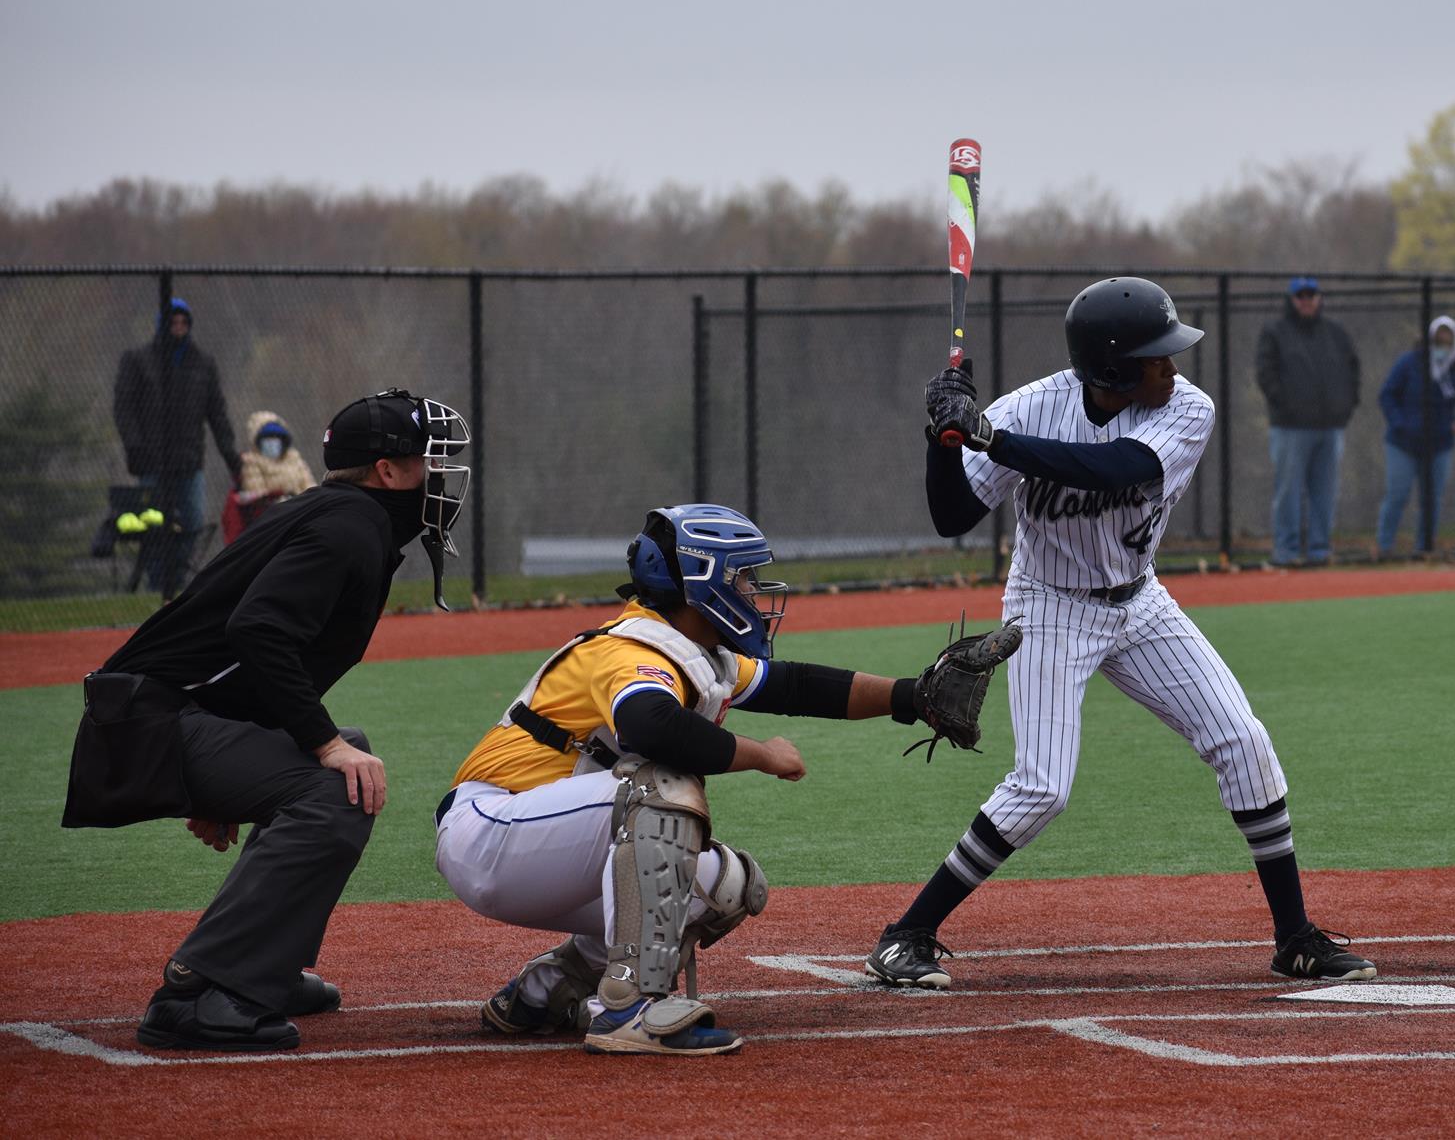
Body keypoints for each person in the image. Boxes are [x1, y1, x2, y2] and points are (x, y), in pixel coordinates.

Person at [876, 276, 1378, 990]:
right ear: (1111, 369)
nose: (1172, 366)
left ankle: (1295, 937)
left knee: (1244, 741)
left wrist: (992, 436)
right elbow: (952, 514)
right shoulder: (1031, 407)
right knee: (1042, 785)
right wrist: (943, 438)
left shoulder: (1186, 410)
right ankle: (907, 935)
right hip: (1048, 603)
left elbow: (1121, 470)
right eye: (1156, 356)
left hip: (1140, 601)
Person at [435, 502, 1011, 1058]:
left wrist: (911, 697)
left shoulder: (692, 650)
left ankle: (546, 991)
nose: (754, 593)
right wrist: (762, 754)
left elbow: (796, 686)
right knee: (660, 785)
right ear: (698, 580)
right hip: (491, 830)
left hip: (546, 838)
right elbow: (650, 725)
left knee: (727, 887)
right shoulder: (633, 649)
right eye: (743, 578)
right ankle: (628, 1009)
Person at [61, 388, 472, 1052]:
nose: (441, 479)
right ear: (388, 472)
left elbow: (240, 648)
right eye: (429, 462)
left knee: (347, 759)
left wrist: (244, 758)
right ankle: (202, 991)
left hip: (164, 712)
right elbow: (257, 631)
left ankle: (266, 968)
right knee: (335, 780)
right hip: (147, 722)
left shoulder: (344, 514)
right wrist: (321, 742)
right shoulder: (350, 525)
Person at [112, 296, 242, 595]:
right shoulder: (138, 360)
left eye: (184, 322)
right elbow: (124, 409)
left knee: (193, 522)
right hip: (151, 462)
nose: (179, 328)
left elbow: (217, 415)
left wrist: (232, 458)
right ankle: (158, 584)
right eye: (173, 322)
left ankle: (179, 581)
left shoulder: (202, 364)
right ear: (162, 325)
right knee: (155, 525)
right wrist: (135, 447)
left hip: (189, 461)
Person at [1255, 275, 1361, 566]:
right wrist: (1286, 407)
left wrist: (1347, 407)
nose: (1306, 300)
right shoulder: (1275, 331)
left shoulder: (1335, 333)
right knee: (1288, 492)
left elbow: (1353, 370)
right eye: (1300, 296)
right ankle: (1286, 552)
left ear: (1319, 298)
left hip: (1330, 427)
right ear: (1291, 300)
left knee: (1324, 493)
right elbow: (1266, 374)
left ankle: (1319, 550)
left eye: (1311, 295)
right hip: (1290, 428)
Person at [1376, 315, 1455, 557]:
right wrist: (1400, 422)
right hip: (1403, 443)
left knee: (1431, 500)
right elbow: (1387, 394)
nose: (1441, 349)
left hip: (1439, 445)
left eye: (1446, 344)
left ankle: (1424, 548)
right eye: (1437, 343)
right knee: (1397, 495)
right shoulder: (1410, 363)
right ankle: (1384, 547)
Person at [226, 410, 317, 543]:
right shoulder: (251, 461)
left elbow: (309, 486)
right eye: (268, 439)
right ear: (258, 440)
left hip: (300, 510)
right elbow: (256, 492)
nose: (273, 443)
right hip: (274, 516)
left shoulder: (294, 458)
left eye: (276, 438)